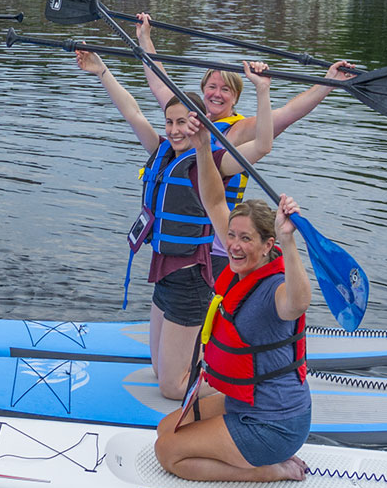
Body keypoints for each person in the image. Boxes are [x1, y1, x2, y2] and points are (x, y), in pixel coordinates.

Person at [78, 50, 276, 399]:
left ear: (197, 125)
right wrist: (102, 71)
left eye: (182, 123)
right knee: (160, 371)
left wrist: (262, 90)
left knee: (172, 388)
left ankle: (250, 387)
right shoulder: (162, 151)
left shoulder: (212, 162)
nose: (173, 130)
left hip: (191, 280)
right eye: (169, 122)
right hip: (164, 272)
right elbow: (132, 111)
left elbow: (262, 145)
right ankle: (208, 363)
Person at [152, 110, 313, 483]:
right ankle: (252, 456)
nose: (235, 246)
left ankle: (269, 470)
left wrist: (289, 241)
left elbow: (300, 302)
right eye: (232, 237)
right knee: (165, 429)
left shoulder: (275, 289)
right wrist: (203, 146)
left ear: (267, 245)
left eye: (246, 239)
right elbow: (212, 199)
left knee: (168, 453)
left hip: (274, 422)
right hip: (246, 401)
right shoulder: (242, 266)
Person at [132, 14, 353, 215]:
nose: (217, 94)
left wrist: (328, 83)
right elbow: (159, 84)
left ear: (236, 97)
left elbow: (289, 114)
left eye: (225, 89)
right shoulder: (187, 116)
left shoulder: (239, 129)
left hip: (216, 230)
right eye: (212, 87)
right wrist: (145, 39)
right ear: (203, 89)